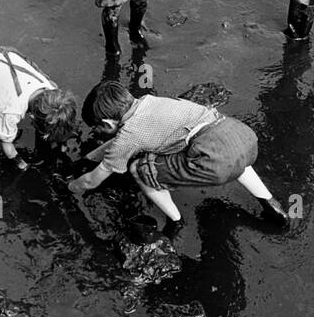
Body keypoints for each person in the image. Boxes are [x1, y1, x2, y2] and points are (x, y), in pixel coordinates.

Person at [69, 80, 287, 225]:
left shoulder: (129, 135)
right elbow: (119, 142)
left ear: (107, 123)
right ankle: (271, 204)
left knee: (140, 169)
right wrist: (89, 158)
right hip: (242, 137)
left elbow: (91, 181)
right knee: (232, 153)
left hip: (216, 161)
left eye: (97, 128)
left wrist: (69, 186)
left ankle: (175, 220)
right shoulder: (149, 101)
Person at [0, 47, 79, 169]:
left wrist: (61, 141)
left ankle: (45, 137)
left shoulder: (53, 90)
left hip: (11, 55)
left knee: (51, 122)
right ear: (32, 117)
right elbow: (6, 144)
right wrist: (21, 164)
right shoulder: (10, 111)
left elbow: (60, 116)